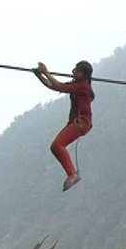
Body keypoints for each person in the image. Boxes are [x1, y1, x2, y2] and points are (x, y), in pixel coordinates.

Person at [33, 61, 94, 191]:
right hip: (76, 123)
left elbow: (60, 86)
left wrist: (45, 72)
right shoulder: (77, 85)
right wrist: (40, 76)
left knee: (57, 145)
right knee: (55, 146)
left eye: (77, 71)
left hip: (81, 123)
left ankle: (72, 174)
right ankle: (72, 173)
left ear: (84, 75)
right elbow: (54, 86)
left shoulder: (83, 86)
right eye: (75, 70)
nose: (74, 72)